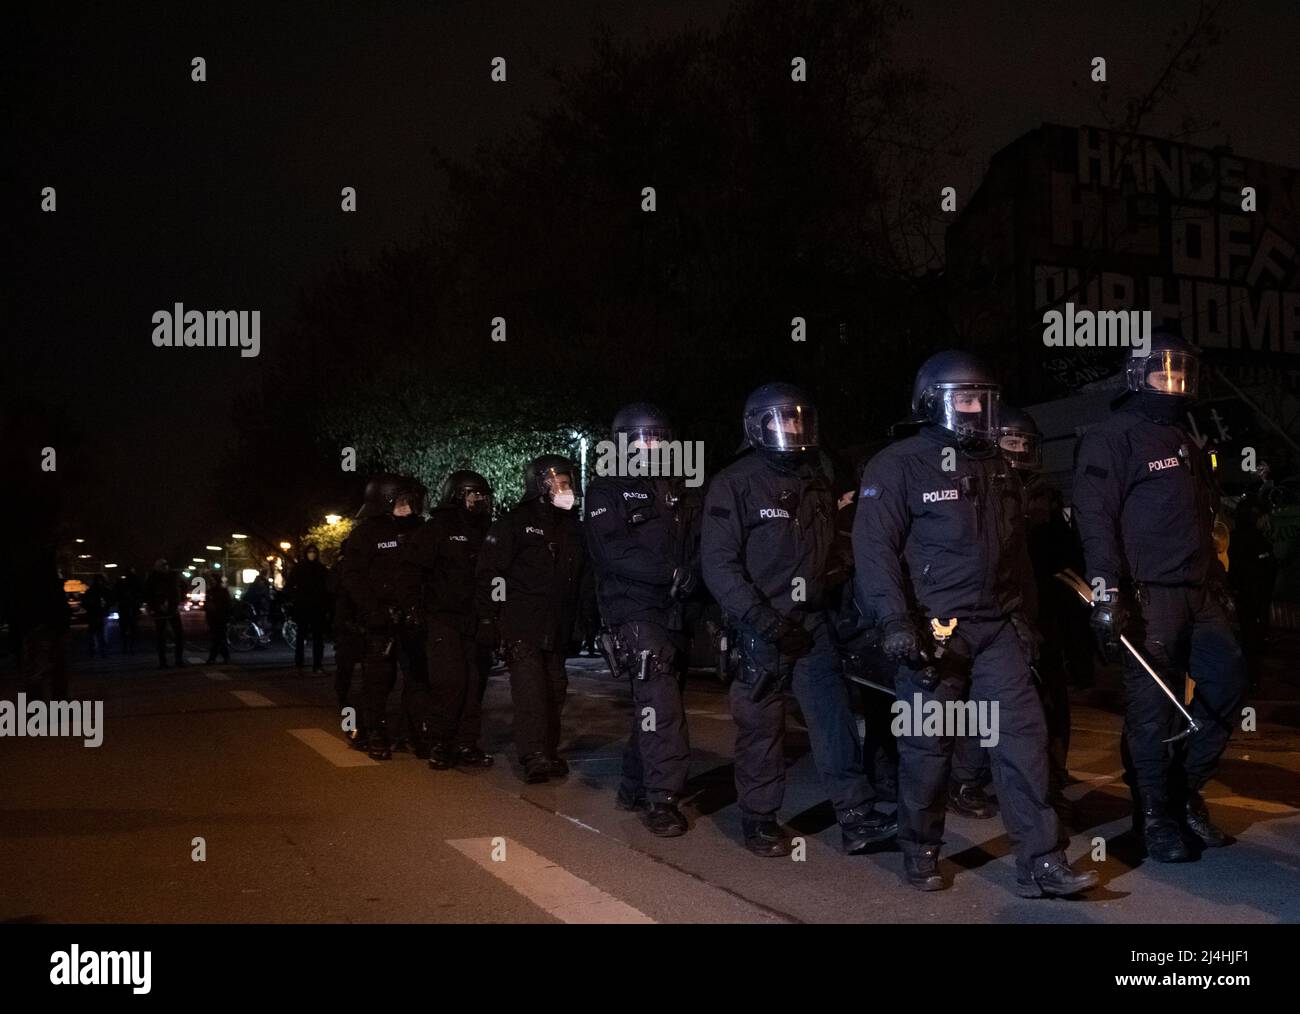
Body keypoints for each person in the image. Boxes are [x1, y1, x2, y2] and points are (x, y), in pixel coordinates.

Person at [855, 351, 1097, 896]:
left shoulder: (997, 469)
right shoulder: (897, 465)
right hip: (932, 632)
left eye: (984, 401)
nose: (976, 411)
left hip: (998, 630)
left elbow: (1015, 556)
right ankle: (919, 847)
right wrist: (894, 620)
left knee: (1022, 744)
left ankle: (1042, 862)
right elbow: (874, 551)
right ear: (932, 403)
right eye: (964, 400)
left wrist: (1024, 620)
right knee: (928, 746)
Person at [702, 382, 896, 857]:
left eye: (797, 419)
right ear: (757, 427)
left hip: (811, 623)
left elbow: (825, 551)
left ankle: (855, 816)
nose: (791, 428)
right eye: (780, 420)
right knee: (762, 728)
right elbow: (719, 564)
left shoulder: (814, 479)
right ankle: (760, 819)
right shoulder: (735, 482)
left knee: (833, 722)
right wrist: (758, 618)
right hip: (760, 627)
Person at [1073, 331, 1246, 862]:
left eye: (1181, 374)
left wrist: (1218, 582)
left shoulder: (1184, 438)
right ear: (1134, 376)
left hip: (1200, 593)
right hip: (1149, 596)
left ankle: (1184, 792)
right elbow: (1095, 519)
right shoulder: (1112, 437)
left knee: (1227, 687)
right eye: (1161, 373)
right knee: (1153, 710)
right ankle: (1153, 816)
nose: (1173, 384)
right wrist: (1107, 593)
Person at [585, 403, 702, 836]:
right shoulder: (606, 490)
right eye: (642, 438)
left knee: (656, 704)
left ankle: (635, 784)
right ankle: (662, 799)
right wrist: (669, 572)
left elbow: (699, 542)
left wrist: (695, 576)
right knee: (661, 703)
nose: (652, 445)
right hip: (633, 608)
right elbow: (611, 550)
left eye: (658, 437)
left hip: (676, 608)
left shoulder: (680, 487)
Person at [476, 455, 591, 784]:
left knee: (555, 688)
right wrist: (490, 618)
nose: (567, 488)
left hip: (557, 626)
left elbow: (583, 577)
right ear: (541, 484)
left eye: (569, 482)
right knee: (530, 691)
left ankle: (548, 750)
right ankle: (533, 755)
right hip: (521, 623)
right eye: (562, 482)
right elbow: (491, 573)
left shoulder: (572, 527)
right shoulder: (515, 523)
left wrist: (584, 618)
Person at [340, 474, 433, 760]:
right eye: (401, 502)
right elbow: (352, 576)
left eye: (410, 502)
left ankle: (416, 733)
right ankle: (374, 732)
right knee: (379, 679)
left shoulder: (422, 529)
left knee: (417, 680)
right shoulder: (366, 534)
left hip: (413, 618)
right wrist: (372, 610)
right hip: (379, 620)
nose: (407, 508)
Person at [410, 470, 498, 770]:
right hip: (443, 617)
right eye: (474, 493)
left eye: (482, 494)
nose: (480, 499)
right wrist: (416, 610)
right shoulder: (437, 528)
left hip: (476, 619)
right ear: (458, 495)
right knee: (450, 682)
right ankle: (440, 742)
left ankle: (466, 743)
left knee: (475, 683)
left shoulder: (487, 528)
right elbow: (415, 570)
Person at [1229, 499, 1276, 691]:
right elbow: (1265, 570)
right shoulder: (1258, 541)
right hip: (1252, 599)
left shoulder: (1235, 539)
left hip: (1244, 598)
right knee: (1251, 641)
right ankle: (1250, 679)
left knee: (1246, 639)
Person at [287, 543, 330, 673]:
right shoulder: (301, 568)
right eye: (310, 552)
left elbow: (327, 589)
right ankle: (300, 664)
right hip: (305, 607)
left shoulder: (320, 569)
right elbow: (290, 586)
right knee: (302, 637)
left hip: (316, 607)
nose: (312, 554)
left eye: (314, 552)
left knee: (317, 638)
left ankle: (316, 664)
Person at [145, 558, 186, 668]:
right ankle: (163, 661)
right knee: (161, 636)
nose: (165, 567)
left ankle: (178, 660)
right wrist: (156, 606)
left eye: (166, 565)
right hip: (160, 610)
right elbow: (148, 595)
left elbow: (181, 588)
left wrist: (178, 601)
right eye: (162, 566)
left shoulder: (173, 577)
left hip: (172, 609)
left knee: (179, 634)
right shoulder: (153, 578)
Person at [204, 571, 232, 664]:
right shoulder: (210, 591)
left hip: (220, 617)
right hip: (213, 617)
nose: (212, 581)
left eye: (213, 579)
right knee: (218, 638)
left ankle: (214, 657)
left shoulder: (222, 591)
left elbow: (227, 605)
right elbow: (206, 604)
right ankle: (223, 657)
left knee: (218, 638)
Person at [114, 568, 142, 654]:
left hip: (125, 608)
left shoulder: (122, 583)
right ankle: (130, 646)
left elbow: (116, 595)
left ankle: (126, 646)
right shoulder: (136, 583)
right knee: (132, 629)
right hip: (131, 608)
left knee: (125, 629)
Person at [82, 574, 111, 657]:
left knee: (93, 633)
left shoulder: (90, 591)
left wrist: (89, 608)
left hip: (94, 614)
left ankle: (95, 650)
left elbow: (84, 603)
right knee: (101, 633)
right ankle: (102, 650)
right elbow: (111, 600)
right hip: (100, 614)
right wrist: (106, 607)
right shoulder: (104, 590)